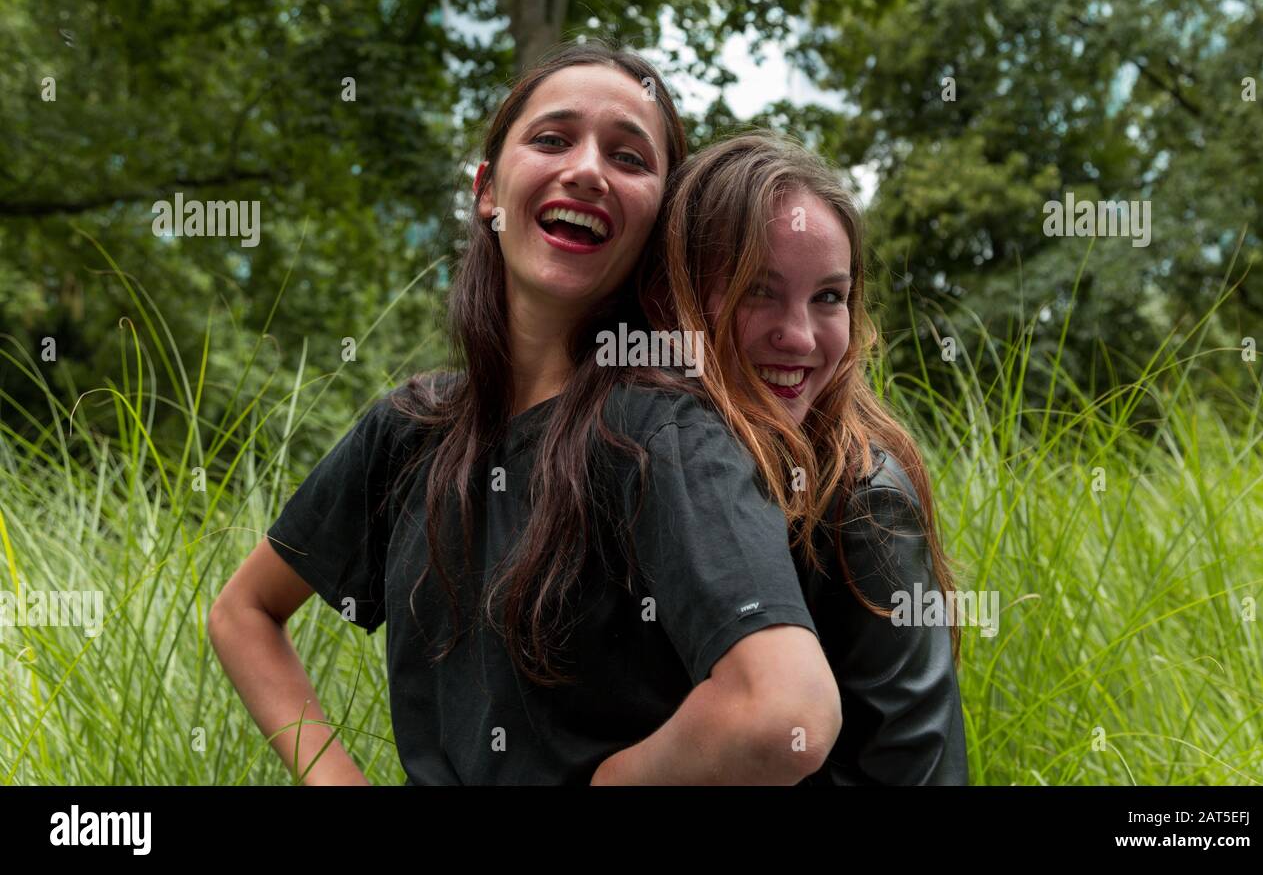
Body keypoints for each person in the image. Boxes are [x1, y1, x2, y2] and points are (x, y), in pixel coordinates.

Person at [208, 42, 843, 785]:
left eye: (630, 158)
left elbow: (787, 711)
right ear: (485, 190)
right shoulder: (410, 430)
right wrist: (333, 777)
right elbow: (243, 613)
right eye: (551, 139)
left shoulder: (665, 432)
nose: (586, 169)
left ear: (658, 222)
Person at [641, 131, 969, 784]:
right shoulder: (649, 463)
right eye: (759, 291)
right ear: (675, 293)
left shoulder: (868, 502)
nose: (799, 336)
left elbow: (918, 768)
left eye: (828, 297)